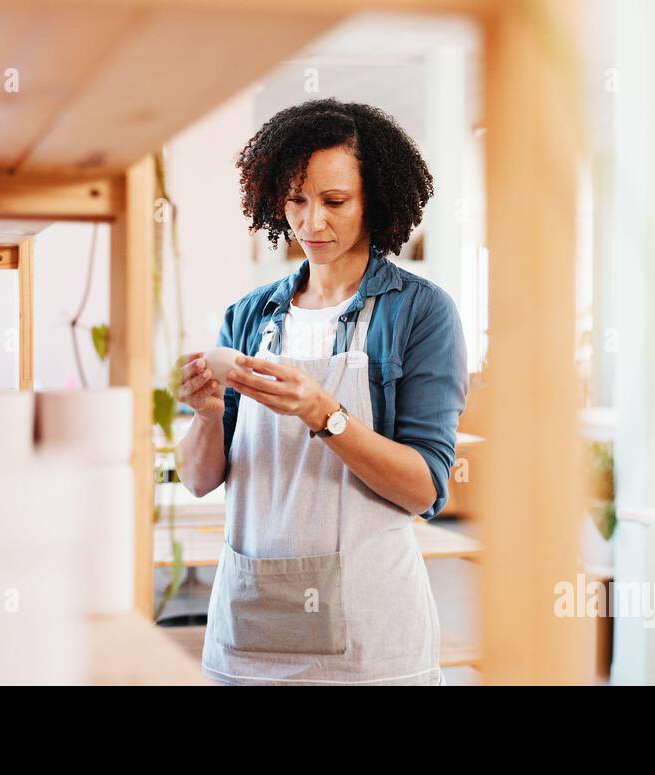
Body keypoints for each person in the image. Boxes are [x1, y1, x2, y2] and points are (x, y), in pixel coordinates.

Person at [174, 98, 467, 685]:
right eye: (297, 201)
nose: (311, 224)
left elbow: (425, 488)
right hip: (252, 626)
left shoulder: (420, 312)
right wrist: (206, 416)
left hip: (370, 633)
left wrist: (324, 413)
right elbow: (200, 479)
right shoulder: (250, 316)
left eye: (334, 202)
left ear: (375, 201)